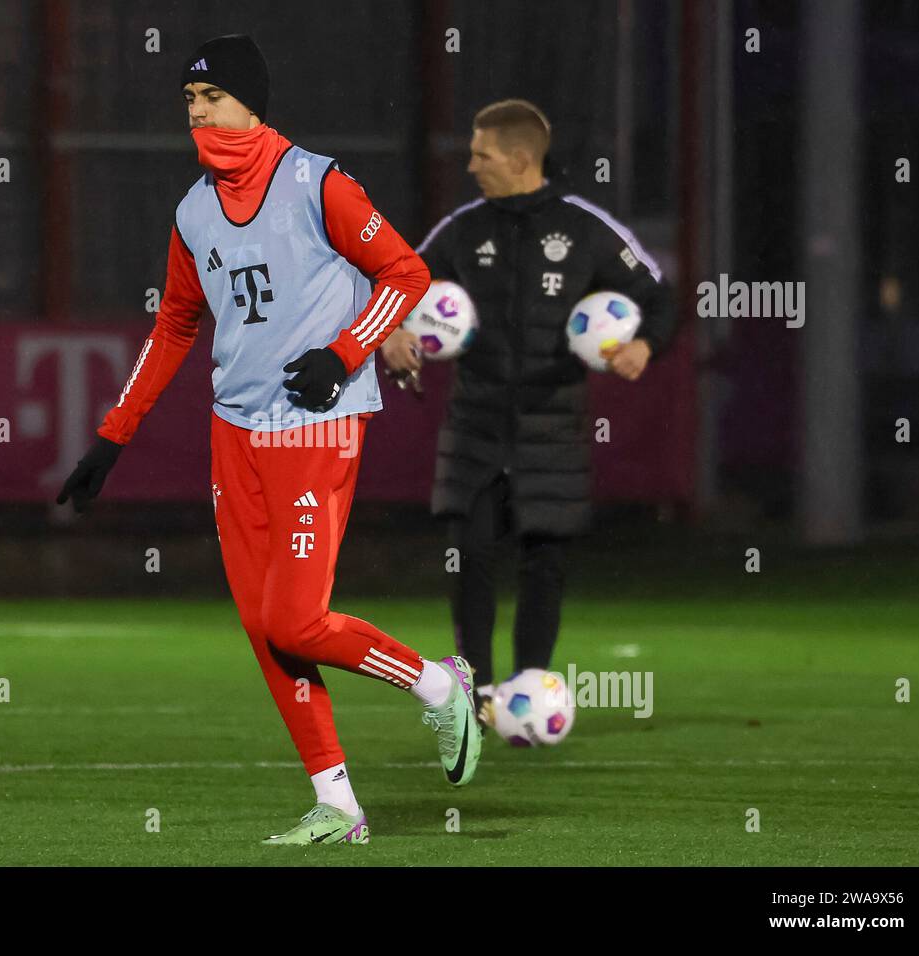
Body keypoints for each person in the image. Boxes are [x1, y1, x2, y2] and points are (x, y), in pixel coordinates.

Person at [56, 35, 481, 845]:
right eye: (189, 101)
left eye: (211, 97)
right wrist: (113, 437)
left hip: (316, 426)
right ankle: (338, 804)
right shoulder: (191, 211)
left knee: (296, 620)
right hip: (236, 433)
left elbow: (406, 275)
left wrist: (343, 354)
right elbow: (174, 326)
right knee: (264, 628)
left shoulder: (317, 183)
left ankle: (437, 685)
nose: (198, 113)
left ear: (253, 103)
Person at [381, 99, 675, 725]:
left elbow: (658, 295)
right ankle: (476, 693)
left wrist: (645, 344)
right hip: (478, 422)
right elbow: (399, 282)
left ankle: (529, 693)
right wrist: (395, 333)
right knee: (472, 554)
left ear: (519, 158)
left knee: (545, 559)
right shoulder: (464, 229)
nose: (470, 165)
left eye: (481, 154)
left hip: (554, 422)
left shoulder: (587, 230)